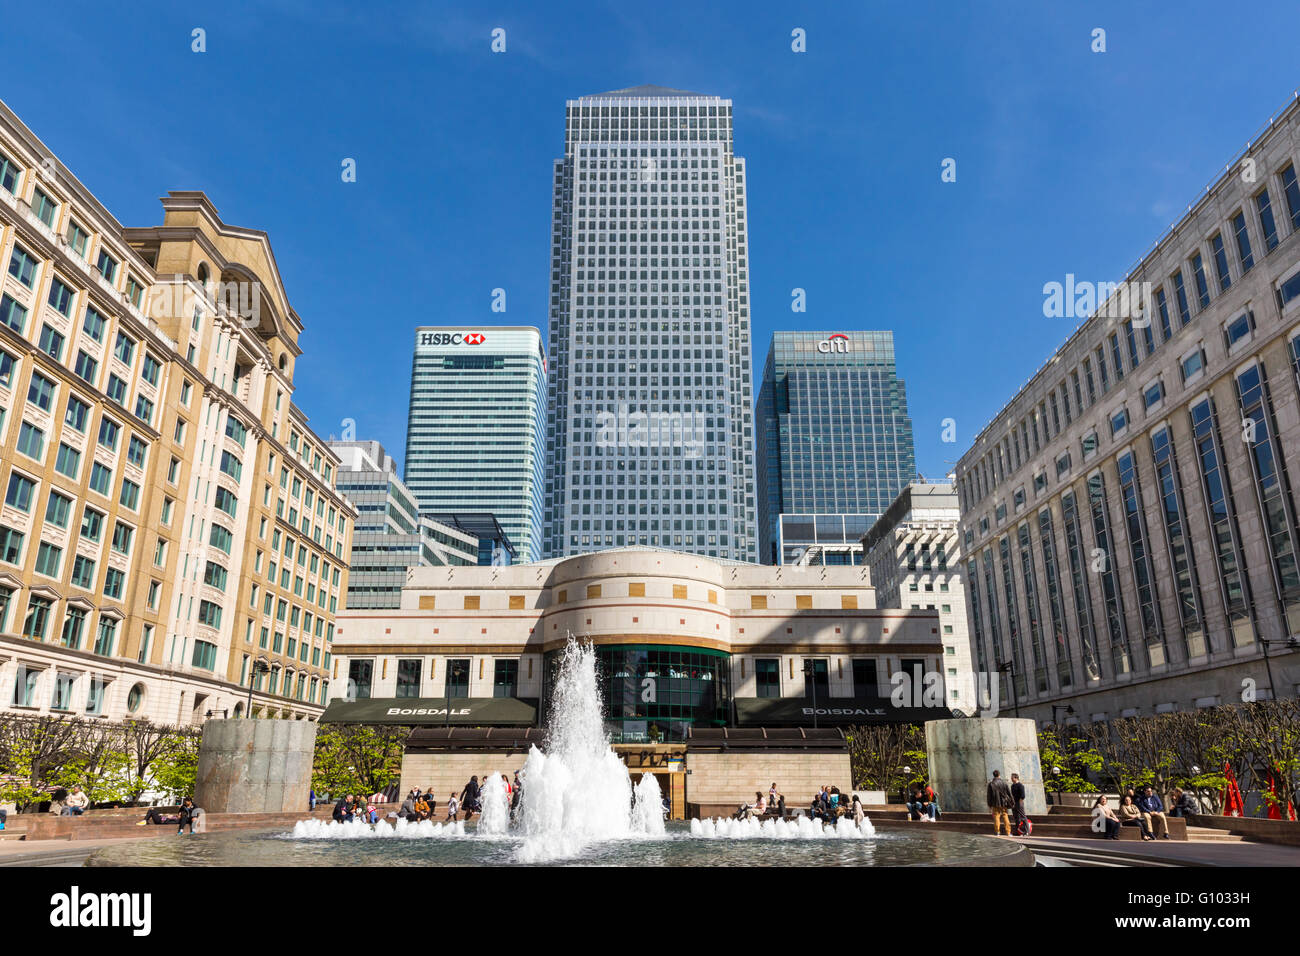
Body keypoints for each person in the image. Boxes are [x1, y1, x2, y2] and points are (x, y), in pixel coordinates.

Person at [986, 770, 1014, 835]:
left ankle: (997, 832)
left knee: (996, 817)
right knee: (1005, 816)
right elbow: (1009, 793)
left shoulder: (991, 784)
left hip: (995, 803)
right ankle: (1008, 832)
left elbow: (989, 795)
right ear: (999, 775)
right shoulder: (1004, 783)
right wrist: (1012, 802)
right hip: (1004, 803)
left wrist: (989, 804)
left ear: (993, 775)